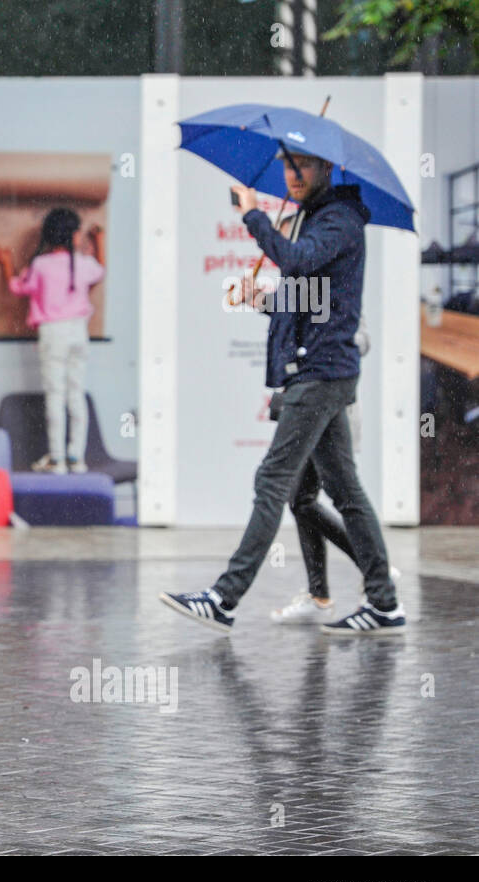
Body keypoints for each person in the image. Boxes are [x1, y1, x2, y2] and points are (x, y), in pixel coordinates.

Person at [161, 148, 404, 635]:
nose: (292, 175)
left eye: (303, 166)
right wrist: (265, 301)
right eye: (288, 165)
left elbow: (298, 259)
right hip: (317, 370)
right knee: (344, 491)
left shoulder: (340, 220)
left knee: (273, 481)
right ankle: (384, 603)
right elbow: (311, 298)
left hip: (321, 374)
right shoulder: (319, 217)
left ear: (328, 168)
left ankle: (224, 599)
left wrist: (252, 213)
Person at [253, 216, 400, 625]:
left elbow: (359, 336)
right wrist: (269, 305)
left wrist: (330, 343)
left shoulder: (333, 280)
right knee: (302, 499)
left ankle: (370, 570)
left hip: (330, 407)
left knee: (318, 495)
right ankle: (325, 592)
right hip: (306, 408)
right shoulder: (302, 286)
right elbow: (298, 328)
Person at [0, 209, 104, 474]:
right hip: (79, 332)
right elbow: (100, 270)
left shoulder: (41, 265)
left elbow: (18, 288)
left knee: (56, 396)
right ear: (74, 236)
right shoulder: (84, 263)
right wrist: (99, 242)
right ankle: (77, 458)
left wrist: (6, 263)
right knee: (76, 395)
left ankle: (57, 459)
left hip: (53, 334)